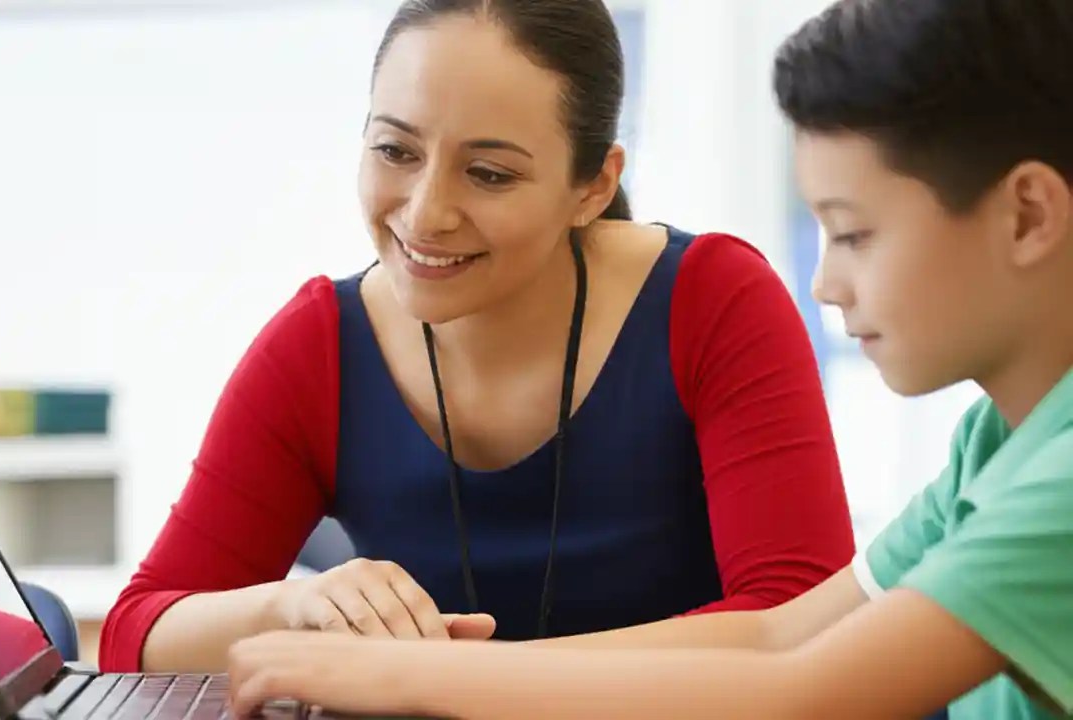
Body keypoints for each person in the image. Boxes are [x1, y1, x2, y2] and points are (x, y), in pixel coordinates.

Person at [223, 0, 1073, 717]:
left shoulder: (1061, 482)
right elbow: (787, 632)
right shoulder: (996, 442)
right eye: (396, 149)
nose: (824, 283)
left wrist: (407, 673)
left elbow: (801, 690)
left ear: (1030, 216)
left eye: (854, 234)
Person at [100, 0, 855, 674]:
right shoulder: (319, 344)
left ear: (592, 186)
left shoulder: (712, 300)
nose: (425, 214)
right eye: (395, 151)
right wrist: (289, 609)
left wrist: (468, 685)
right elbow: (134, 634)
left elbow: (800, 619)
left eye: (489, 174)